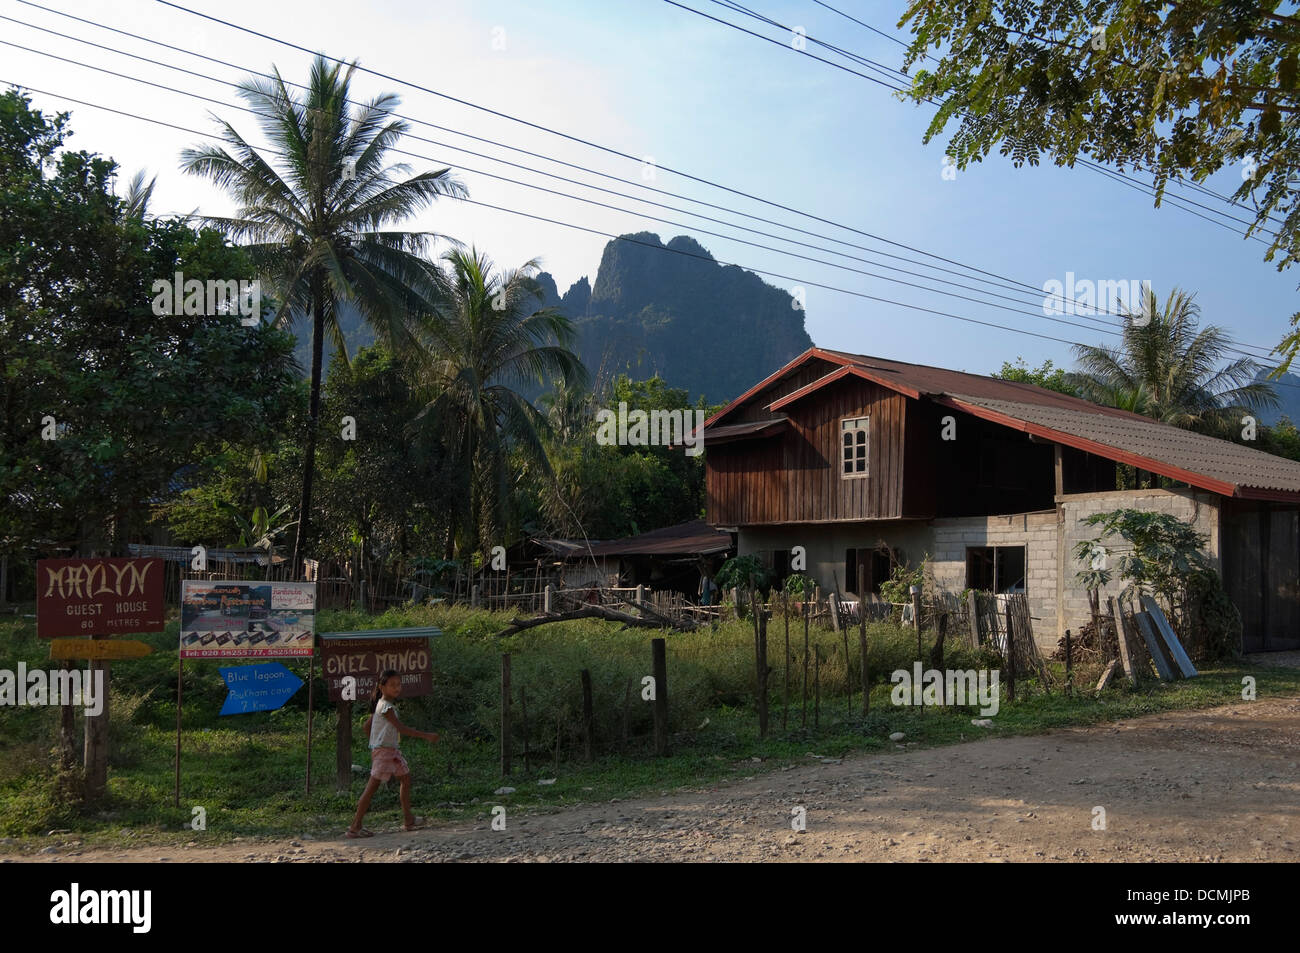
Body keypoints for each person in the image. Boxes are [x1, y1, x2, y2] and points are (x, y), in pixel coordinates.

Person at [347, 670, 439, 838]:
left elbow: (367, 727)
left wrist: (376, 742)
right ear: (382, 687)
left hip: (390, 752)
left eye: (398, 684)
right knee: (371, 788)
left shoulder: (380, 705)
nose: (397, 688)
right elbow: (401, 729)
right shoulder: (386, 707)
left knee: (405, 778)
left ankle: (408, 820)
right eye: (392, 685)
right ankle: (355, 826)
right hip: (385, 753)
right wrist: (426, 735)